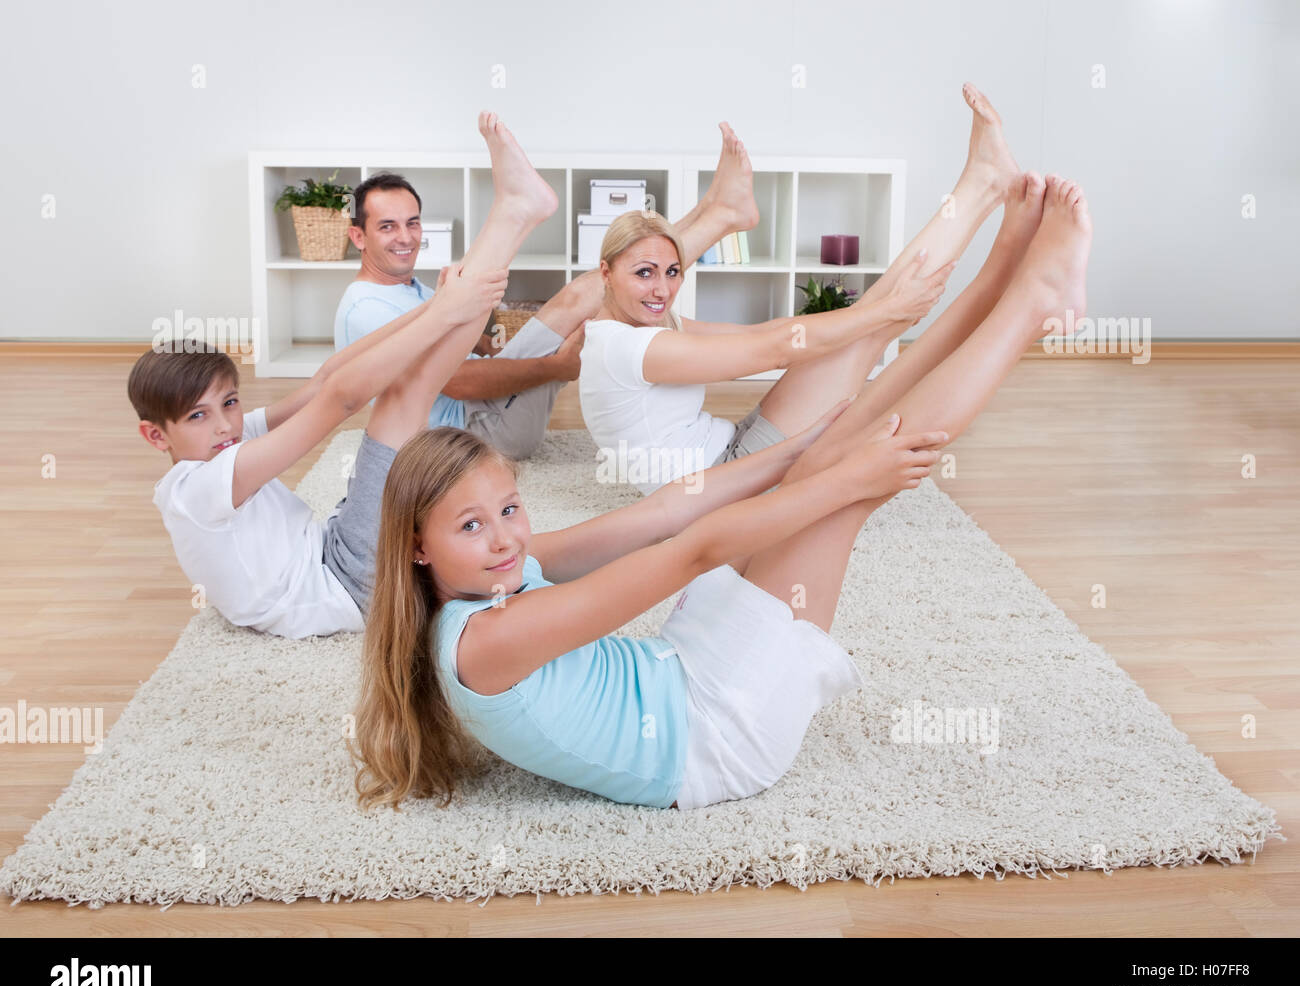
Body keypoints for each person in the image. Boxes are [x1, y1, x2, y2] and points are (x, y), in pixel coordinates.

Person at [347, 170, 1092, 810]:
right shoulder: (488, 638)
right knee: (853, 480)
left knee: (833, 447)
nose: (506, 536)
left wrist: (797, 453)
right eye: (472, 527)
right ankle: (1031, 305)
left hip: (678, 667)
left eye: (508, 509)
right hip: (717, 732)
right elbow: (688, 552)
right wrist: (846, 481)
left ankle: (1000, 276)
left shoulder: (491, 577)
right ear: (417, 546)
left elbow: (660, 516)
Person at [128, 112, 556, 638]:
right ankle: (512, 216)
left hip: (332, 548)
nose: (224, 426)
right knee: (405, 394)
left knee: (409, 395)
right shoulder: (197, 487)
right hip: (347, 584)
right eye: (198, 415)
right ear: (156, 435)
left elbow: (323, 379)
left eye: (230, 403)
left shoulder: (222, 445)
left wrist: (439, 307)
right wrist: (446, 311)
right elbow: (339, 401)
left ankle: (515, 212)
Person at [578, 83, 1023, 493]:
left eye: (672, 272)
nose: (661, 289)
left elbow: (761, 334)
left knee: (873, 320)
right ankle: (982, 190)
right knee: (872, 324)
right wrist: (885, 313)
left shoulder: (636, 328)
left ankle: (981, 188)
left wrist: (882, 313)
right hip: (722, 490)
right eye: (644, 273)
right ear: (605, 272)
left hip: (731, 452)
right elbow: (772, 350)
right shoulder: (628, 348)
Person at [334, 123, 762, 459]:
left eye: (412, 223)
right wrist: (555, 366)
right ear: (358, 236)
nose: (405, 237)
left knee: (583, 295)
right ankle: (719, 215)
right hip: (468, 436)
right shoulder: (368, 307)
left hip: (480, 413)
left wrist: (494, 344)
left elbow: (460, 349)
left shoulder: (405, 288)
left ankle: (716, 211)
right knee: (590, 296)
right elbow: (459, 381)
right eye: (387, 226)